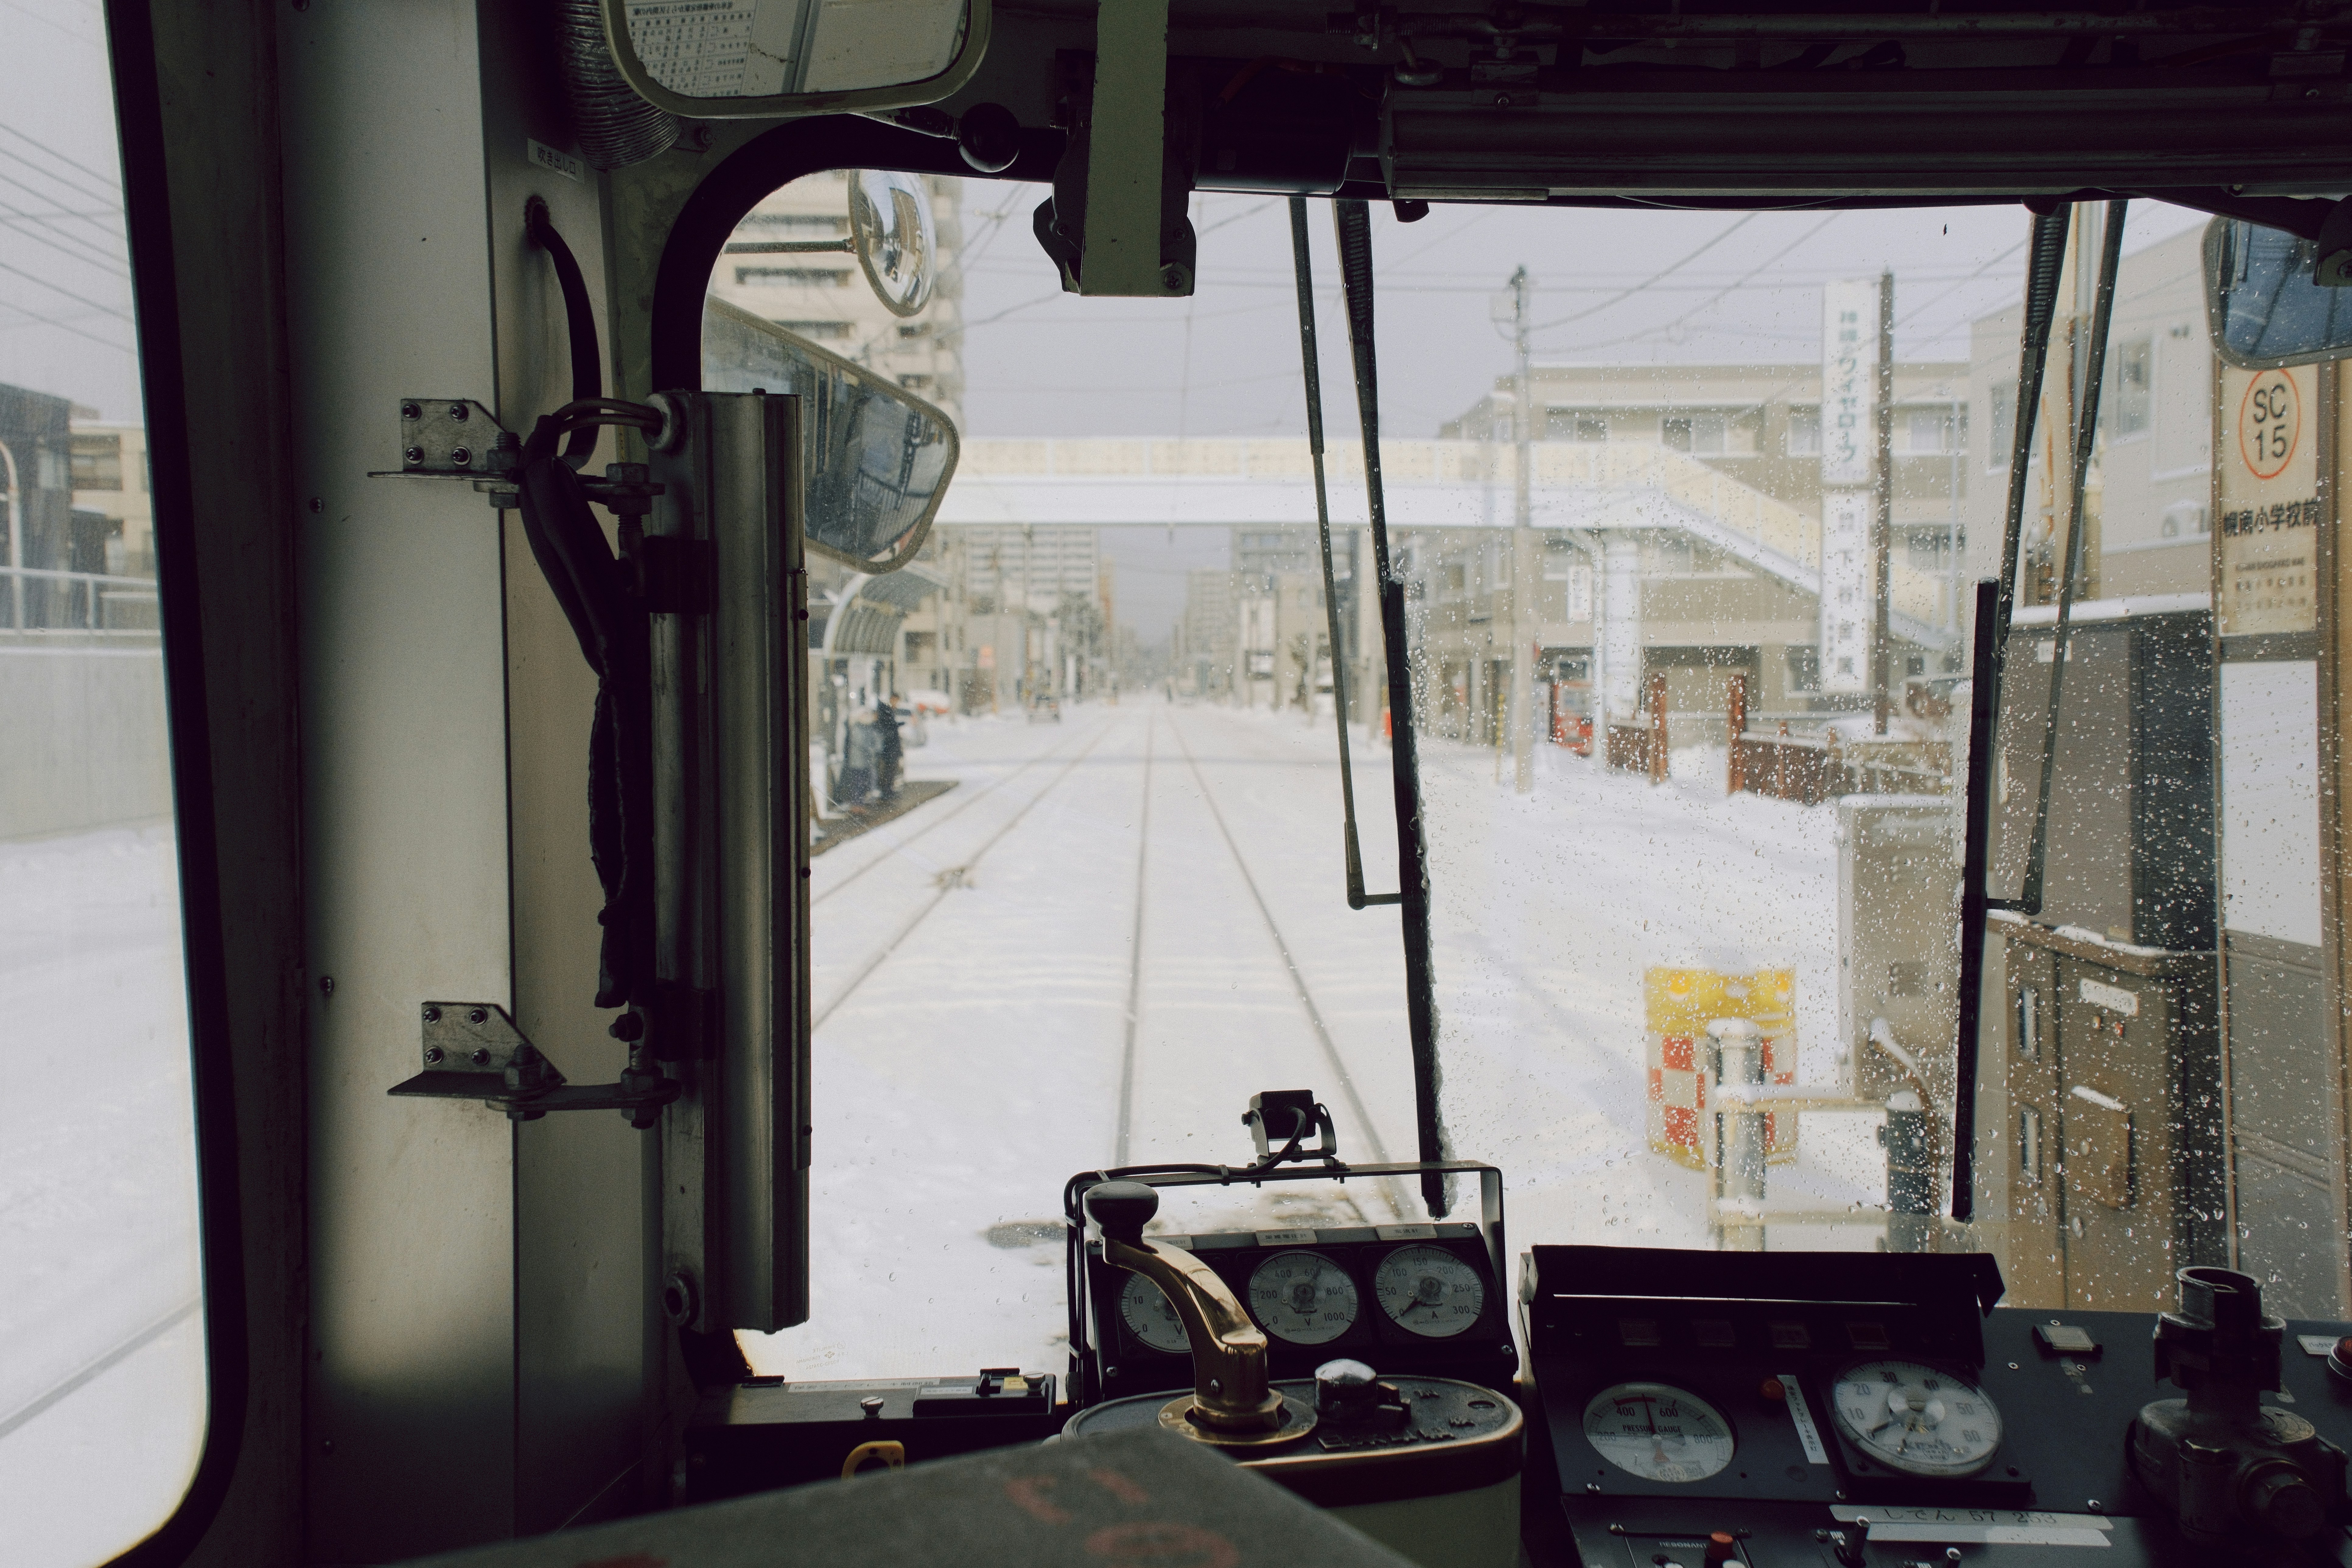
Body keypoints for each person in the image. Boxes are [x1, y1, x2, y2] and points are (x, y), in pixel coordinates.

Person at [872, 696, 905, 801]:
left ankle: (888, 790)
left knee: (890, 770)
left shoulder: (887, 713)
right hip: (890, 749)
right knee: (889, 770)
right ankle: (887, 791)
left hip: (890, 749)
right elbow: (889, 730)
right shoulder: (887, 713)